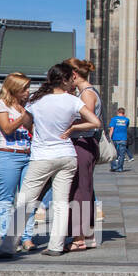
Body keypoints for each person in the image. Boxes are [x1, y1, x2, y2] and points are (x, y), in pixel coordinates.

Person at [16, 63, 101, 256]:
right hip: (67, 154)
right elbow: (95, 122)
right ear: (65, 79)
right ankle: (55, 245)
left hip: (42, 156)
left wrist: (36, 132)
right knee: (62, 203)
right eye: (71, 78)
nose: (73, 82)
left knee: (25, 200)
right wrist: (72, 129)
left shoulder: (36, 100)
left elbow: (27, 121)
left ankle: (8, 244)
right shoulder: (72, 101)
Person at [64, 59, 101, 251]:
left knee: (80, 189)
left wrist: (69, 128)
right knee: (85, 188)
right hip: (84, 143)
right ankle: (88, 232)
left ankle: (79, 238)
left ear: (75, 75)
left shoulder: (87, 93)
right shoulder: (86, 91)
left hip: (83, 143)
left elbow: (90, 119)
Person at [0, 73, 35, 256]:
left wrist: (29, 120)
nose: (28, 92)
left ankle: (27, 236)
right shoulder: (2, 104)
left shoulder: (26, 106)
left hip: (27, 154)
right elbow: (6, 129)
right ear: (14, 88)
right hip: (8, 154)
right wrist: (24, 117)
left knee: (27, 198)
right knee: (6, 199)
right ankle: (7, 237)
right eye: (25, 88)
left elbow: (32, 131)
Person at [108, 107, 131, 173]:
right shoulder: (127, 120)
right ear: (124, 113)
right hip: (123, 138)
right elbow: (126, 127)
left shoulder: (113, 119)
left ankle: (114, 166)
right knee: (122, 154)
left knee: (113, 153)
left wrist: (109, 137)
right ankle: (120, 168)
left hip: (115, 138)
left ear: (118, 112)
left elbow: (112, 129)